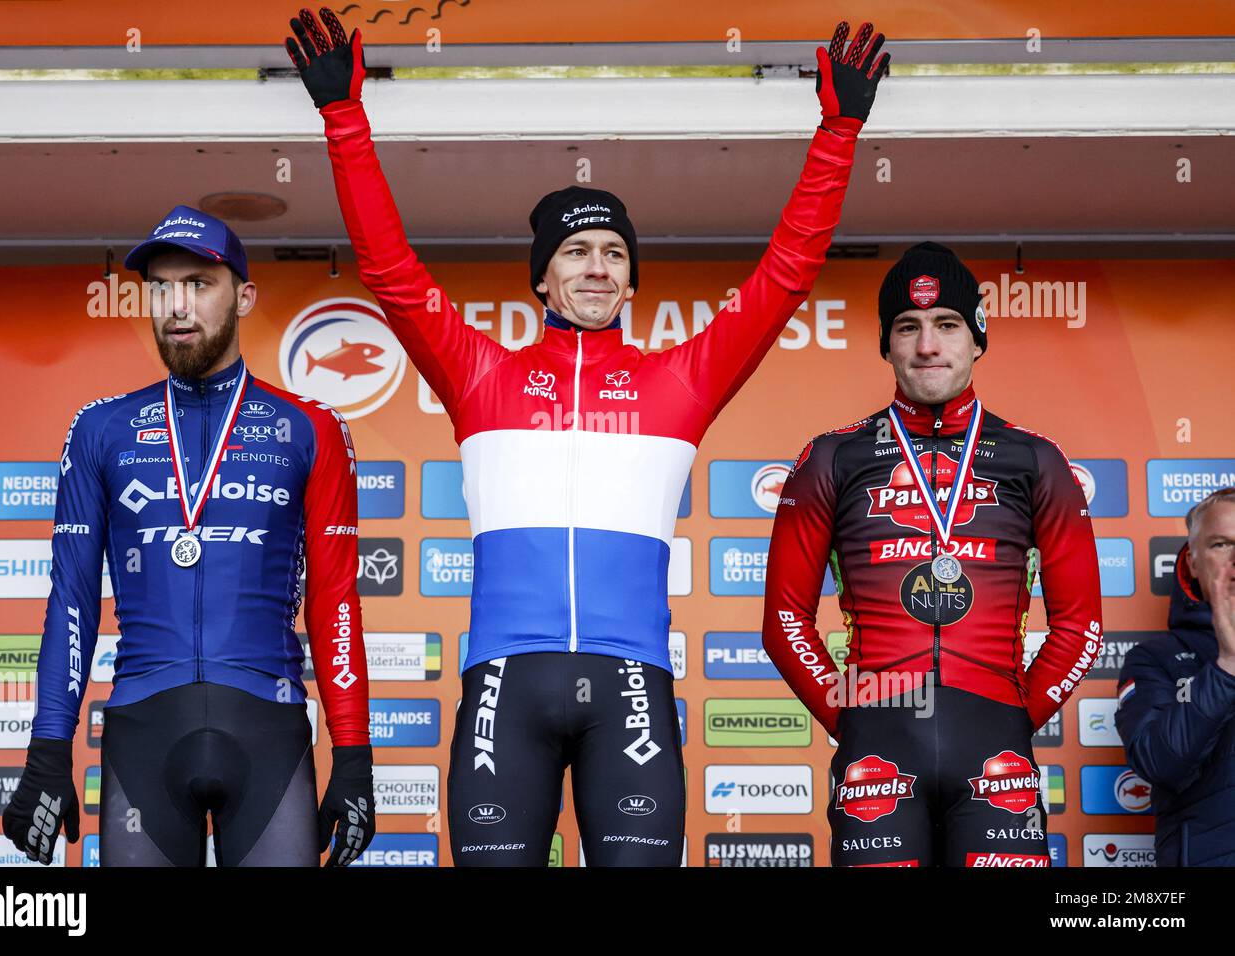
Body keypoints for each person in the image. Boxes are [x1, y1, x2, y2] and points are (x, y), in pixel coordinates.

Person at [284, 7, 889, 865]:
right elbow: (389, 271)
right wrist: (343, 118)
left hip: (630, 688)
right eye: (576, 252)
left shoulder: (677, 381)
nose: (597, 267)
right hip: (505, 684)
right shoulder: (480, 373)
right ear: (542, 275)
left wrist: (838, 130)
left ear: (633, 277)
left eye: (612, 252)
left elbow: (786, 274)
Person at [2, 206, 375, 867]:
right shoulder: (101, 429)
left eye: (199, 284)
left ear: (244, 294)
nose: (177, 306)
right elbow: (71, 601)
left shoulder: (310, 428)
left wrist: (354, 757)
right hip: (146, 730)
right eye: (162, 287)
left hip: (268, 728)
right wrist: (46, 754)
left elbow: (336, 600)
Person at [762, 241, 1103, 867]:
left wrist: (1014, 714)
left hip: (997, 745)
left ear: (977, 338)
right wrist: (849, 714)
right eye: (908, 327)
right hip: (876, 744)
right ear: (886, 344)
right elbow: (784, 621)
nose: (927, 345)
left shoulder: (1036, 460)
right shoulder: (832, 457)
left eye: (947, 325)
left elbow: (1081, 624)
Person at [1116, 487, 1235, 866]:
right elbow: (1160, 764)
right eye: (1221, 545)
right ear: (1192, 562)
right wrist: (1227, 666)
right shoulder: (1154, 659)